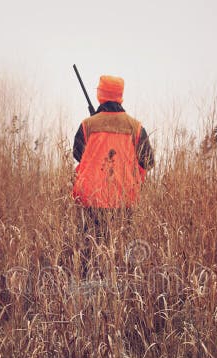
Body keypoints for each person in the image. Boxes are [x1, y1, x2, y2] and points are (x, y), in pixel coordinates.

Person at [72, 75, 154, 275]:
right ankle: (119, 290)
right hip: (124, 202)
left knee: (89, 252)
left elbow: (77, 154)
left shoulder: (87, 125)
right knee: (120, 252)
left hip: (90, 201)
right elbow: (148, 161)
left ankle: (88, 289)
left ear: (100, 95)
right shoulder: (135, 127)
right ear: (120, 97)